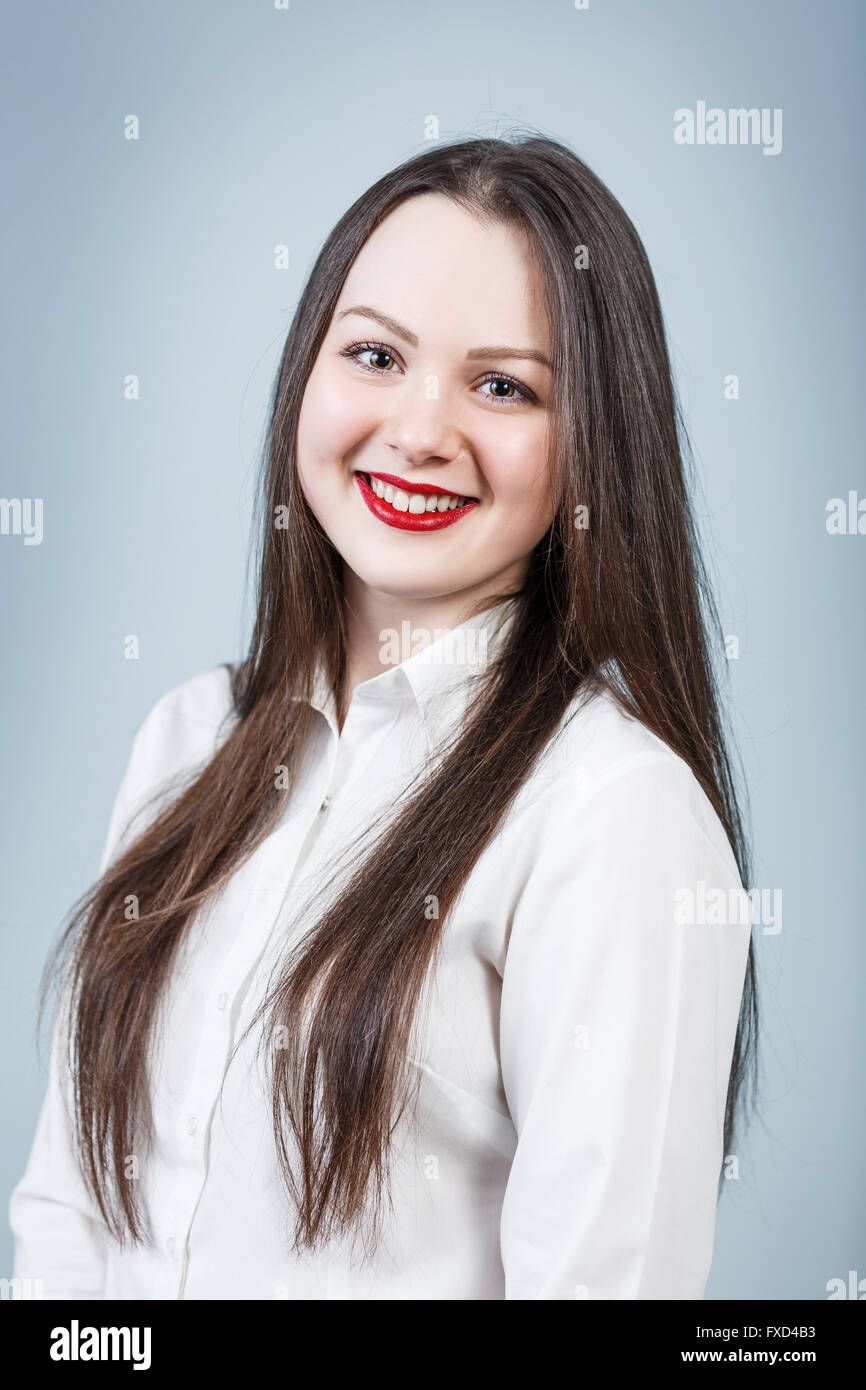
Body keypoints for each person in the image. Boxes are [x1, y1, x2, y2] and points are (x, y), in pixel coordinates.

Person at [9, 132, 757, 1300]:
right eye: (374, 355)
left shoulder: (614, 815)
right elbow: (69, 1210)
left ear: (591, 450)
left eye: (501, 385)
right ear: (306, 370)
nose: (418, 429)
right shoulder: (187, 736)